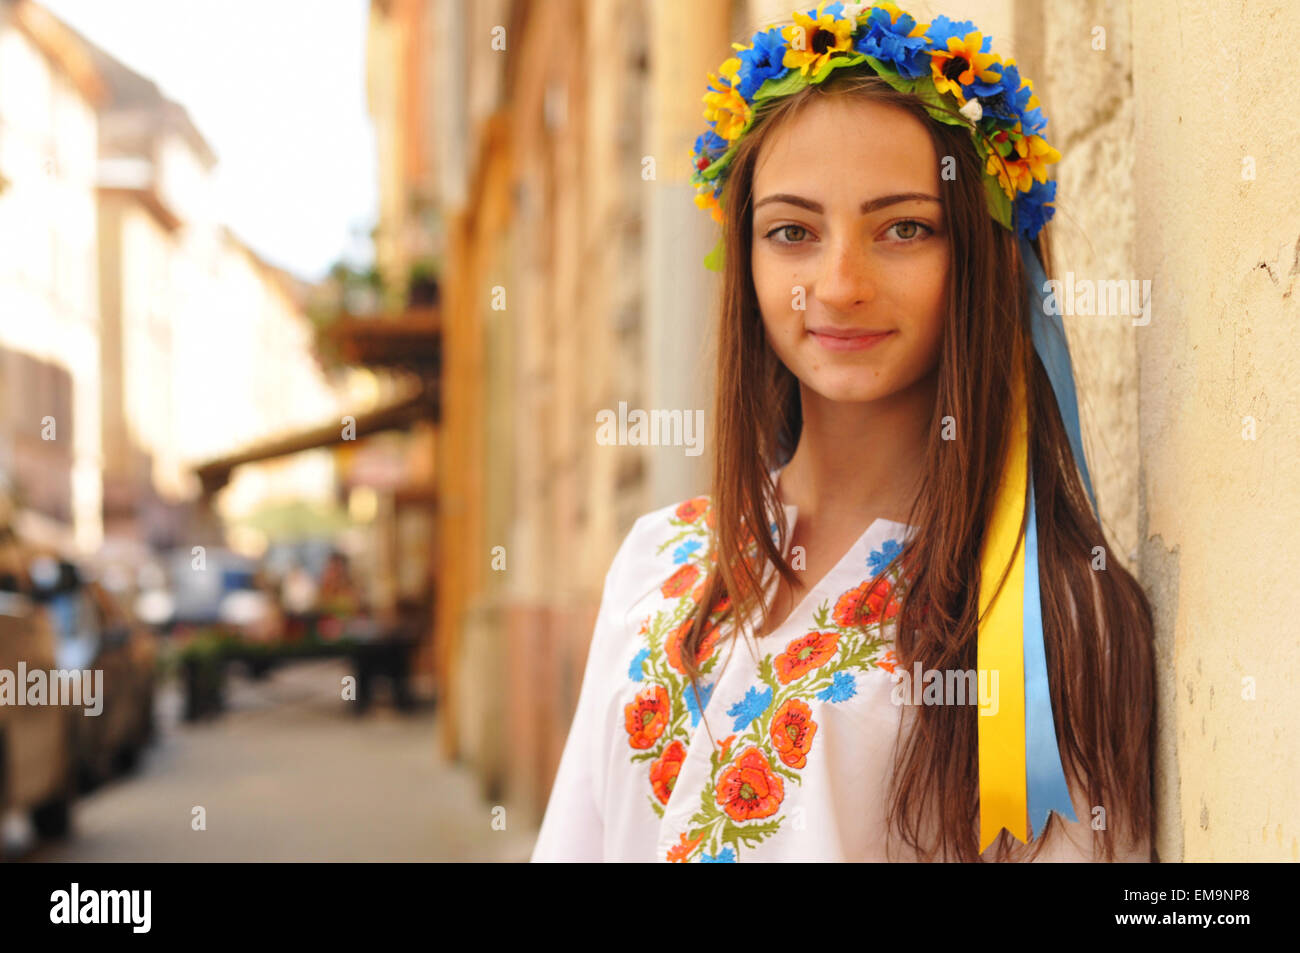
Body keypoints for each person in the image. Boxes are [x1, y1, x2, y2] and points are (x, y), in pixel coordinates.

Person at [532, 3, 1154, 863]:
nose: (839, 283)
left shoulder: (1047, 616)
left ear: (981, 254)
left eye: (904, 228)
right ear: (746, 259)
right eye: (793, 231)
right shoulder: (656, 560)